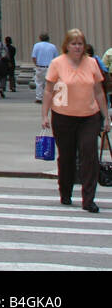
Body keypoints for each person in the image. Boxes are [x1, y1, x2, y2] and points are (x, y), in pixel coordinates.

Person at [41, 29, 108, 213]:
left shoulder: (92, 63)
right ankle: (66, 192)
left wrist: (106, 116)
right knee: (67, 157)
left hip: (89, 116)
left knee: (89, 155)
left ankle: (89, 199)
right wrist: (44, 115)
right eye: (74, 44)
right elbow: (48, 90)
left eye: (80, 44)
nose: (77, 47)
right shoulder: (57, 63)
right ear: (67, 46)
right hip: (63, 116)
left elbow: (98, 91)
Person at [33, 32, 58, 103]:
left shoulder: (36, 45)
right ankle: (50, 97)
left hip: (40, 67)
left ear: (40, 38)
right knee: (50, 83)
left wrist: (36, 64)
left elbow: (34, 57)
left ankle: (39, 97)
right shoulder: (53, 46)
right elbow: (56, 58)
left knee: (39, 82)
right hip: (50, 67)